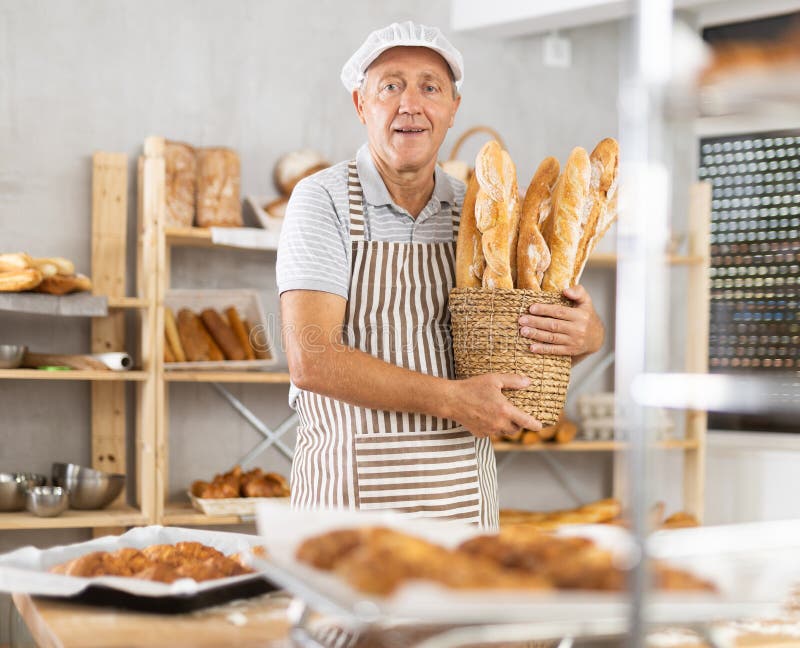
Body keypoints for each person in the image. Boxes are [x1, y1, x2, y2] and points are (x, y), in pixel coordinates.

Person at [276, 21, 604, 530]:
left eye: (430, 87)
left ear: (453, 109)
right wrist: (454, 400)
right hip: (347, 512)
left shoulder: (477, 210)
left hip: (462, 511)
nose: (410, 103)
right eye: (390, 86)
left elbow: (518, 345)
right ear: (362, 105)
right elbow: (312, 359)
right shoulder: (322, 200)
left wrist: (587, 334)